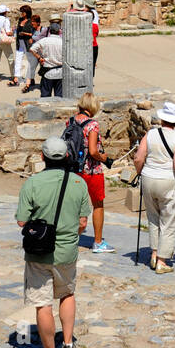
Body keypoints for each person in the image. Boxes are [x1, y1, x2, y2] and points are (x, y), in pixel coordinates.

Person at [16, 136, 91, 348]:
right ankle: (68, 345)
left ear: (42, 157)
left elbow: (22, 221)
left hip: (39, 253)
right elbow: (82, 222)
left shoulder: (32, 183)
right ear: (67, 156)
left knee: (43, 303)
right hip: (67, 251)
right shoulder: (78, 183)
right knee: (67, 293)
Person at [133, 101, 175, 272]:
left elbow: (138, 158)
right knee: (169, 220)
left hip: (148, 178)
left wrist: (140, 172)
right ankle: (162, 261)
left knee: (153, 218)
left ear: (162, 119)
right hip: (168, 181)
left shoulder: (150, 134)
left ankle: (154, 254)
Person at [66, 91, 115, 253]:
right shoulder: (92, 125)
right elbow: (93, 151)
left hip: (74, 169)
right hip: (92, 170)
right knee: (98, 204)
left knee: (74, 205)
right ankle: (98, 242)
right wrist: (104, 158)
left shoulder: (70, 121)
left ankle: (69, 237)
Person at [31, 19, 64, 97]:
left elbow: (32, 49)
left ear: (49, 31)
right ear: (59, 31)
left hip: (47, 71)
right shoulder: (63, 42)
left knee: (45, 96)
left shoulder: (44, 41)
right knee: (59, 97)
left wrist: (39, 58)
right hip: (60, 72)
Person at [0, 5, 17, 85]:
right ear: (4, 12)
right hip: (3, 40)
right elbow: (8, 32)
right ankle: (13, 75)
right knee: (10, 58)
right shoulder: (6, 20)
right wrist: (13, 31)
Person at [15, 5, 34, 87]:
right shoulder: (20, 20)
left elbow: (33, 33)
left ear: (27, 12)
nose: (21, 13)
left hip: (27, 42)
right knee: (18, 59)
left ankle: (30, 78)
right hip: (19, 42)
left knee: (29, 61)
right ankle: (17, 77)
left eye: (23, 12)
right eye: (21, 12)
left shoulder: (31, 21)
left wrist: (25, 33)